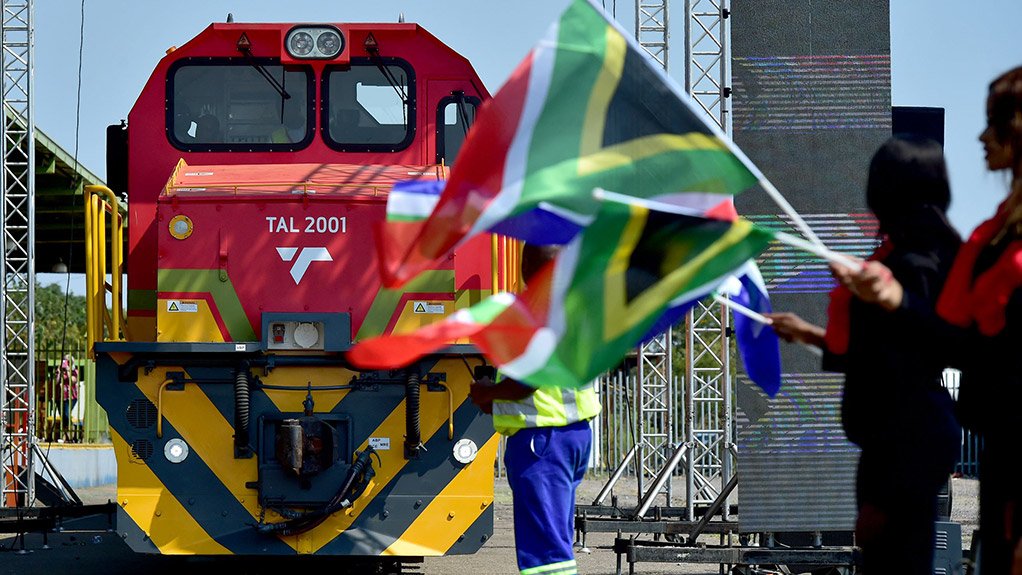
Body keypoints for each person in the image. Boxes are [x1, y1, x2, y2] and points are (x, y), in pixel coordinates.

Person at [838, 66, 1022, 575]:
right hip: (999, 448)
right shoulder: (990, 233)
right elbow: (958, 338)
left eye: (995, 122)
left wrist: (899, 301)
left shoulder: (958, 247)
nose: (982, 136)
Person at [766, 135, 962, 575]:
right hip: (890, 435)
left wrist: (892, 299)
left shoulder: (926, 256)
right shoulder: (898, 250)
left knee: (896, 559)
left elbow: (934, 346)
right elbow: (877, 350)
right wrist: (809, 334)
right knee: (881, 553)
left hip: (908, 434)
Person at [470, 244, 601, 575]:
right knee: (556, 538)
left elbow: (529, 381)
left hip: (542, 441)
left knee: (546, 551)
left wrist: (489, 394)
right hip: (573, 436)